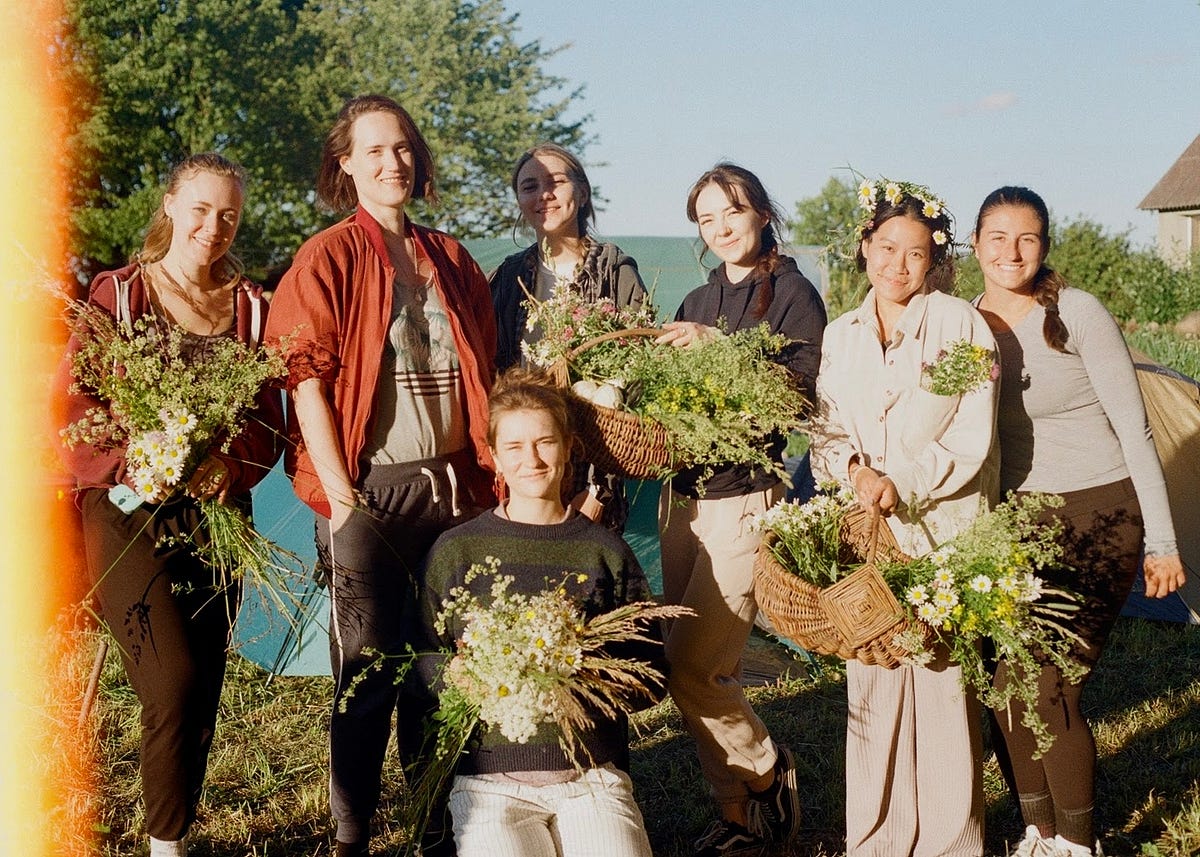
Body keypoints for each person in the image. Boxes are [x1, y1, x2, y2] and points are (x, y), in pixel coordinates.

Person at [263, 94, 497, 857]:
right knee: (367, 677)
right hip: (370, 490)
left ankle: (437, 827)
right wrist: (339, 492)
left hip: (456, 491)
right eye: (374, 151)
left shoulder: (453, 258)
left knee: (442, 673)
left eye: (403, 148)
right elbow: (305, 377)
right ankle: (352, 836)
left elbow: (485, 370)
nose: (393, 162)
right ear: (346, 164)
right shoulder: (327, 256)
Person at [55, 153, 284, 857]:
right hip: (125, 509)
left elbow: (271, 415)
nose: (213, 227)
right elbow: (72, 408)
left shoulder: (253, 307)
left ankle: (170, 835)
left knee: (202, 684)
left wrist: (230, 462)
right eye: (201, 209)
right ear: (170, 206)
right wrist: (135, 460)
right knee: (173, 678)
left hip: (216, 515)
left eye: (229, 216)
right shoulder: (117, 296)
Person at [970, 186, 1186, 857]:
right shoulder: (962, 321)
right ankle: (1037, 831)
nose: (1012, 250)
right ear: (974, 243)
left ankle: (1078, 843)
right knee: (1005, 687)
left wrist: (1163, 540)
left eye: (1027, 237)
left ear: (1045, 246)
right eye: (998, 236)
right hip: (1014, 526)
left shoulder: (1076, 311)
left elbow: (1136, 428)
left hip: (1097, 515)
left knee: (1051, 684)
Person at [810, 177, 999, 857]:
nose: (898, 264)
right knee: (874, 679)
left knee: (941, 686)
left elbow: (969, 437)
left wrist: (902, 481)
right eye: (886, 247)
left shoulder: (958, 325)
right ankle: (876, 838)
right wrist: (854, 471)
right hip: (869, 536)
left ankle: (951, 841)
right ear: (864, 247)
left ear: (935, 261)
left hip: (940, 531)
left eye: (915, 253)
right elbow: (825, 430)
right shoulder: (842, 333)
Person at [419, 367, 662, 857]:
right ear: (492, 457)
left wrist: (588, 677)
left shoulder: (604, 551)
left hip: (590, 777)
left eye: (545, 442)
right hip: (491, 784)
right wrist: (457, 675)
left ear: (569, 447)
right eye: (514, 447)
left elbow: (653, 673)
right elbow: (424, 659)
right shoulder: (457, 551)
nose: (531, 459)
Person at [655, 163, 825, 855]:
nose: (721, 227)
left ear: (761, 212)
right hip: (683, 501)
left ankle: (767, 772)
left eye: (732, 211)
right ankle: (736, 815)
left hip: (746, 498)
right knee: (684, 667)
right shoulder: (694, 299)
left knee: (698, 667)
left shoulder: (791, 293)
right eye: (707, 218)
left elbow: (806, 396)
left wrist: (722, 349)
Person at [490, 142, 648, 530]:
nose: (544, 194)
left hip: (590, 482)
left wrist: (598, 492)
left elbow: (640, 387)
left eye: (556, 182)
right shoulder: (508, 280)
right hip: (523, 479)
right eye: (530, 186)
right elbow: (492, 380)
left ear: (582, 191)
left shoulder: (614, 271)